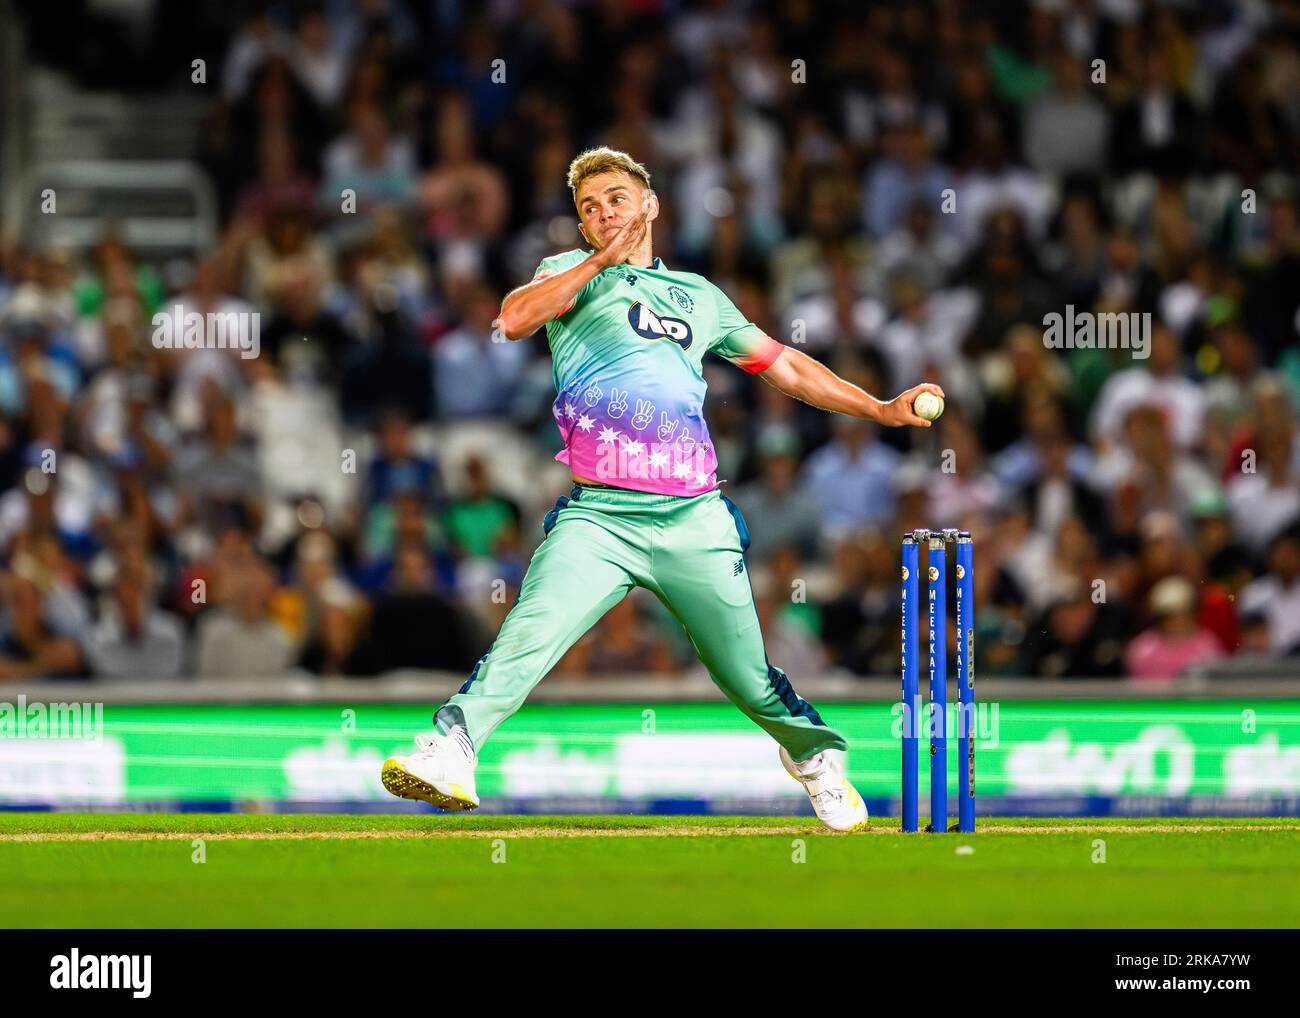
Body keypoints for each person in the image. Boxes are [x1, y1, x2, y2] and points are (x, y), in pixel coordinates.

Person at [381, 148, 943, 832]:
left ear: (650, 204)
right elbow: (515, 319)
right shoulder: (567, 274)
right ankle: (452, 749)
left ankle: (816, 756)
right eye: (589, 207)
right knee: (528, 634)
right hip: (601, 516)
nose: (603, 213)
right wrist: (596, 263)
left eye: (616, 198)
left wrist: (880, 408)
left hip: (693, 517)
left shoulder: (700, 297)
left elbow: (786, 366)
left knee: (747, 679)